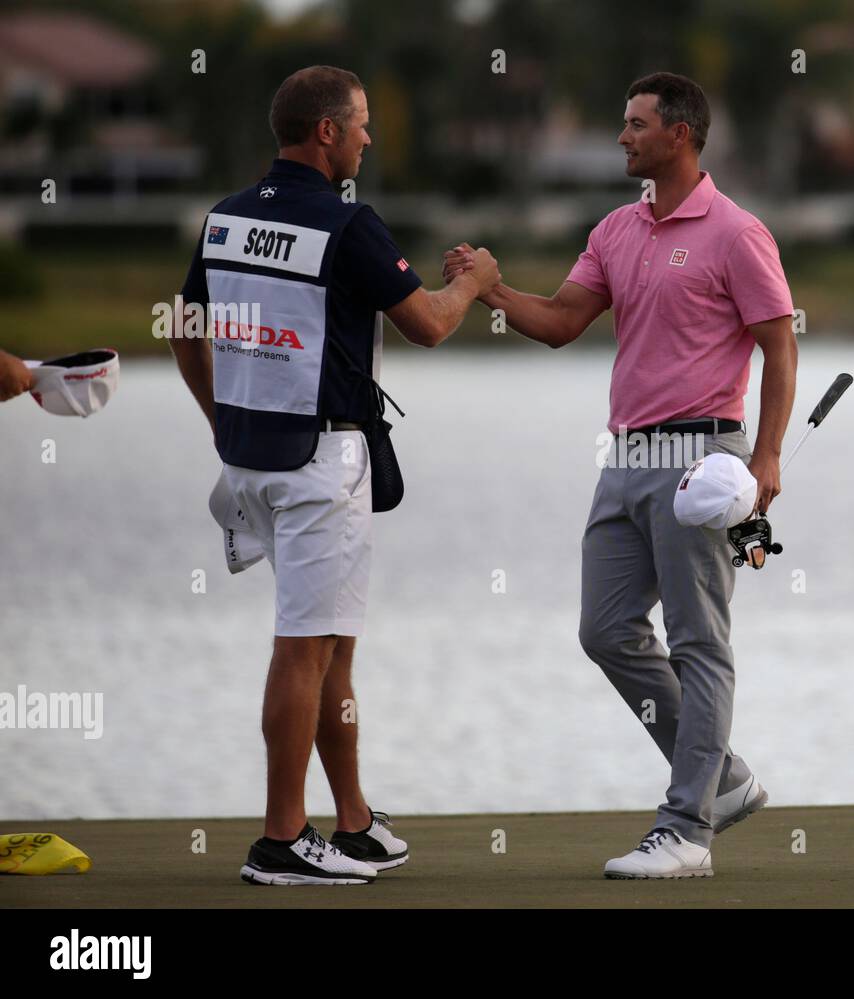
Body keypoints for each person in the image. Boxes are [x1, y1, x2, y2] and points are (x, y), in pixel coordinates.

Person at [444, 71, 796, 879]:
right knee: (604, 630)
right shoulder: (615, 229)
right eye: (623, 122)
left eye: (636, 124)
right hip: (625, 460)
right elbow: (564, 321)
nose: (622, 135)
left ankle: (687, 830)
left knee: (700, 642)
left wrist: (767, 454)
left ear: (681, 133)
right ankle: (726, 779)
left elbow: (780, 344)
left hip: (702, 464)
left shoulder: (738, 232)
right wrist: (490, 287)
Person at [170, 65, 499, 885]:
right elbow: (426, 323)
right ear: (326, 132)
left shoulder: (227, 216)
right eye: (359, 125)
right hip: (321, 467)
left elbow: (183, 330)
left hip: (254, 463)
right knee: (306, 650)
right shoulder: (348, 223)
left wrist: (224, 422)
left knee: (333, 645)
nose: (367, 138)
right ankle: (282, 838)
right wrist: (475, 282)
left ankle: (350, 821)